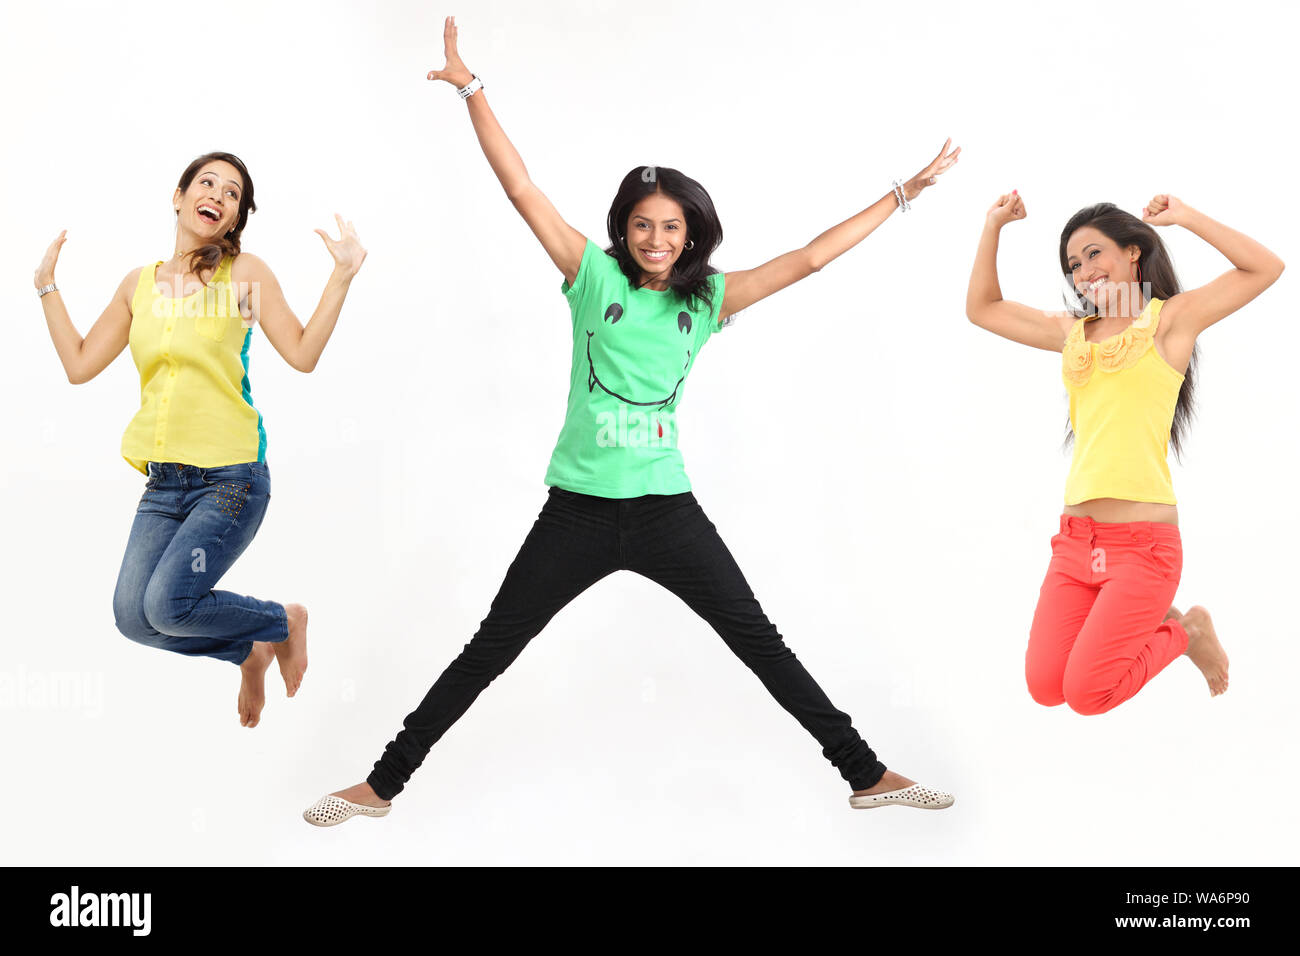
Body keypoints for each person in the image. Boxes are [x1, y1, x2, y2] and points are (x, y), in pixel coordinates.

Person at [304, 16, 960, 827]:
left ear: (692, 235)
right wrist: (474, 91)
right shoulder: (588, 273)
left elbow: (811, 257)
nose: (656, 238)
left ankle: (866, 773)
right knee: (488, 652)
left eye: (671, 227)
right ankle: (381, 786)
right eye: (643, 224)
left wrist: (902, 194)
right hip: (575, 512)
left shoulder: (710, 299)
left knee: (762, 642)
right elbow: (522, 189)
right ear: (626, 229)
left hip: (665, 511)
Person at [35, 151, 368, 728]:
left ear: (235, 217)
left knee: (168, 604)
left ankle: (282, 622)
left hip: (230, 480)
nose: (218, 194)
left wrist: (340, 276)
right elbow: (80, 363)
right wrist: (47, 288)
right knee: (134, 618)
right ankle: (249, 650)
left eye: (233, 193)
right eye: (207, 183)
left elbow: (302, 353)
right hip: (164, 485)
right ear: (180, 196)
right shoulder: (138, 286)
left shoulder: (243, 278)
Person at [966, 190, 1283, 714]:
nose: (1084, 270)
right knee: (1047, 688)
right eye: (1073, 263)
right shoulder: (1071, 333)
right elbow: (983, 309)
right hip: (1076, 543)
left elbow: (1264, 267)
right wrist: (993, 226)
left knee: (1089, 695)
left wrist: (1184, 217)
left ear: (1132, 252)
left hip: (1144, 548)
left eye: (1094, 253)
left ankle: (1186, 632)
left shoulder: (1170, 323)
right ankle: (1167, 620)